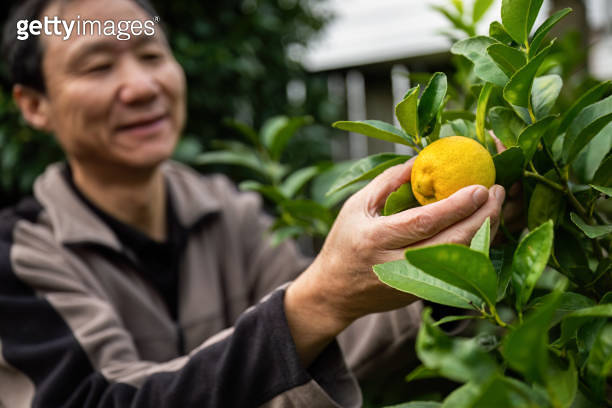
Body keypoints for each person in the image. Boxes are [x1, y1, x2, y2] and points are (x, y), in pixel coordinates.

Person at [0, 0, 506, 406]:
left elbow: (330, 346)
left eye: (151, 55)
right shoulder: (20, 257)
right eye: (98, 66)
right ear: (34, 105)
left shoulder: (230, 211)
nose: (141, 86)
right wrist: (322, 296)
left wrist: (445, 269)